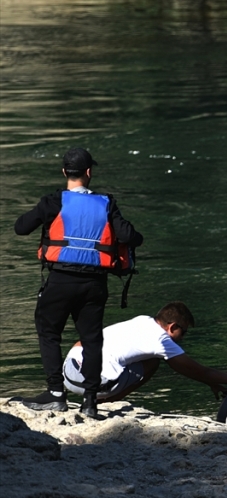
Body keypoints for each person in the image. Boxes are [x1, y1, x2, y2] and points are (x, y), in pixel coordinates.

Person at [14, 148, 144, 418]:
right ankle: (90, 401)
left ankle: (55, 394)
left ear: (65, 172)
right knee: (91, 339)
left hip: (60, 280)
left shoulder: (53, 202)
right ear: (89, 172)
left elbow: (21, 227)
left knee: (49, 332)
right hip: (94, 284)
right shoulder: (106, 203)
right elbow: (131, 237)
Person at [62, 302, 227, 404]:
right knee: (153, 362)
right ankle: (107, 402)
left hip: (69, 371)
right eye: (184, 332)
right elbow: (200, 371)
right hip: (93, 385)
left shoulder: (142, 320)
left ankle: (96, 399)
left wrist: (209, 382)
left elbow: (195, 373)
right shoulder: (161, 340)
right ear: (172, 327)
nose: (183, 338)